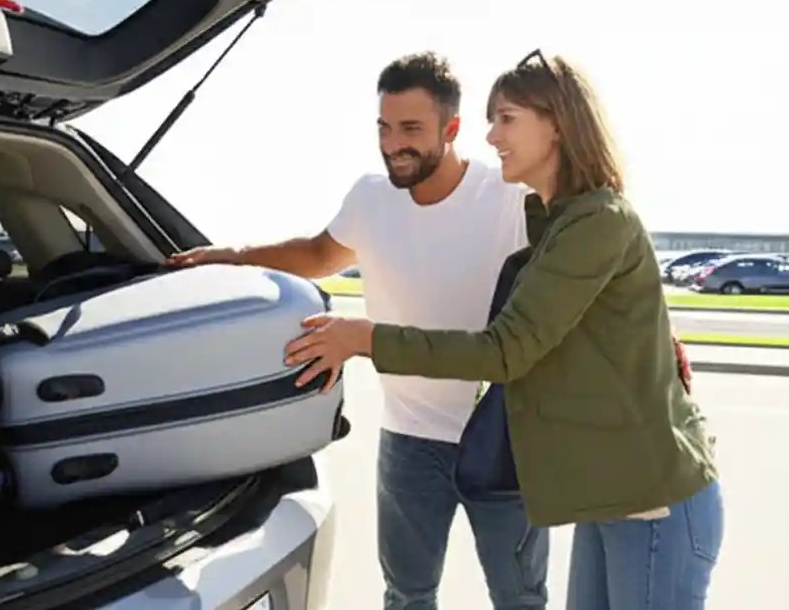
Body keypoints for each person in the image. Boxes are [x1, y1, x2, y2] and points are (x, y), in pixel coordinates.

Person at [283, 50, 724, 610]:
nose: (491, 136)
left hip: (656, 499)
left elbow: (506, 350)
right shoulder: (549, 221)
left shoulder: (597, 221)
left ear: (558, 124)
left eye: (507, 119)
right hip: (609, 496)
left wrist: (364, 337)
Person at [167, 51, 550, 609]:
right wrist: (230, 256)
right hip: (410, 441)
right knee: (407, 596)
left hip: (502, 437)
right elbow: (320, 253)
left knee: (520, 599)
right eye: (385, 127)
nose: (394, 143)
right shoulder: (371, 197)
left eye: (411, 129)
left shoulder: (508, 199)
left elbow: (584, 270)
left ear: (452, 128)